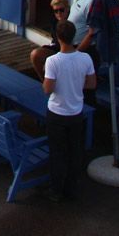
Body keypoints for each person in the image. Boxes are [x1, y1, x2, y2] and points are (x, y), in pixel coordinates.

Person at [42, 19, 96, 202]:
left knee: (57, 152)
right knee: (74, 151)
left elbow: (48, 89)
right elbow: (91, 84)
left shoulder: (52, 61)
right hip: (76, 112)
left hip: (57, 112)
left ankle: (56, 190)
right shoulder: (85, 58)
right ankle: (71, 188)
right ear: (74, 37)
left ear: (58, 37)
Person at [29, 0, 71, 79]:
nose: (59, 13)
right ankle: (45, 81)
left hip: (68, 53)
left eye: (61, 10)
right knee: (35, 54)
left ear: (67, 9)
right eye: (56, 11)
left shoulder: (71, 22)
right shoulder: (55, 22)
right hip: (57, 49)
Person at [67, 0, 99, 67]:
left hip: (84, 50)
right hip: (70, 46)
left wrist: (76, 53)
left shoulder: (91, 1)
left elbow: (92, 33)